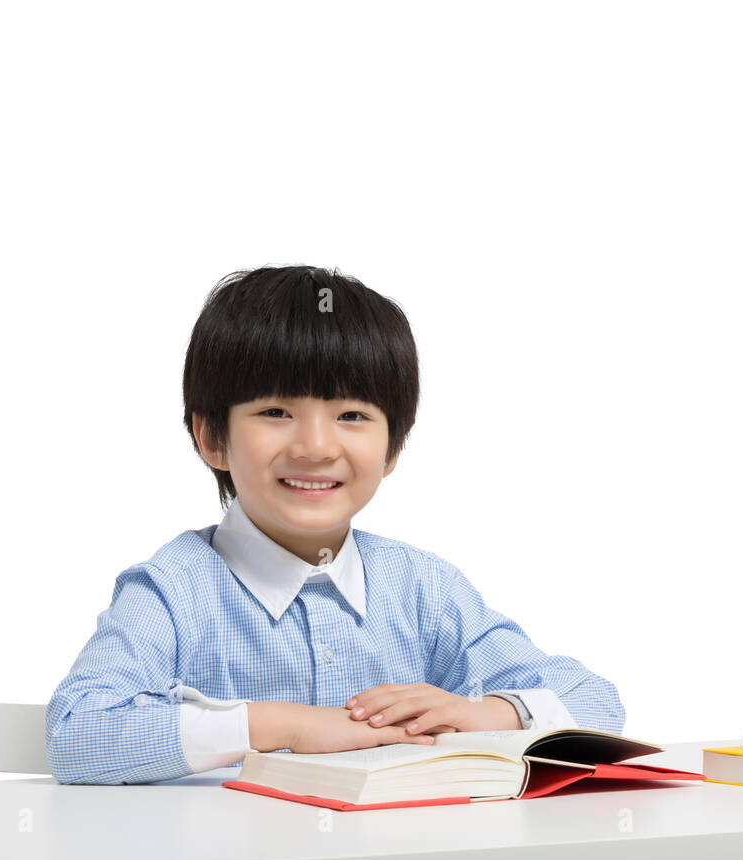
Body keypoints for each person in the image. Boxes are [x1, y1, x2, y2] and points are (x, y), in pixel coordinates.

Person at [45, 265, 625, 784]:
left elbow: (598, 702)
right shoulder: (175, 588)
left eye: (351, 416)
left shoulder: (422, 587)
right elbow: (77, 731)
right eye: (275, 412)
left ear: (392, 449)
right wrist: (282, 726)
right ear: (212, 438)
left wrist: (488, 713)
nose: (316, 447)